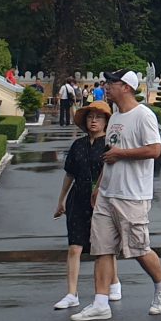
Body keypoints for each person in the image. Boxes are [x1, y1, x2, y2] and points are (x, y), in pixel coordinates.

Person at [70, 72, 161, 321]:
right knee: (102, 248)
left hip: (132, 194)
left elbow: (155, 150)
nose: (106, 87)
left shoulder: (143, 115)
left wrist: (121, 155)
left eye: (111, 83)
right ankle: (100, 302)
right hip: (108, 192)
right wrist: (99, 185)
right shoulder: (115, 116)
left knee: (138, 248)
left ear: (126, 87)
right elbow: (109, 154)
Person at [53, 103, 113, 309]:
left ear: (106, 122)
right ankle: (72, 293)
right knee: (74, 247)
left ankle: (113, 282)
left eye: (98, 117)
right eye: (90, 118)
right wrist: (61, 200)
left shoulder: (110, 145)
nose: (93, 121)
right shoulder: (78, 145)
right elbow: (70, 174)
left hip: (102, 201)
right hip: (77, 199)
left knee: (103, 247)